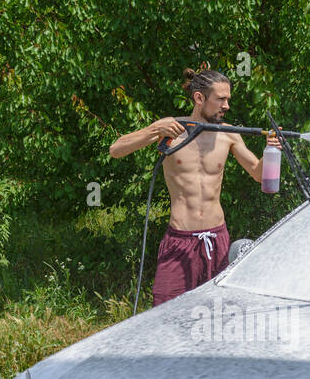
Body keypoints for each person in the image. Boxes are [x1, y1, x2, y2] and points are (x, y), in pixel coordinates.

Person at [109, 65, 281, 306]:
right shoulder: (171, 129)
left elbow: (257, 173)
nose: (227, 106)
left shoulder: (229, 134)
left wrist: (271, 148)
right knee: (166, 312)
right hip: (179, 240)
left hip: (217, 238)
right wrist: (153, 129)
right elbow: (116, 150)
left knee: (216, 312)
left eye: (228, 99)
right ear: (199, 98)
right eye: (221, 99)